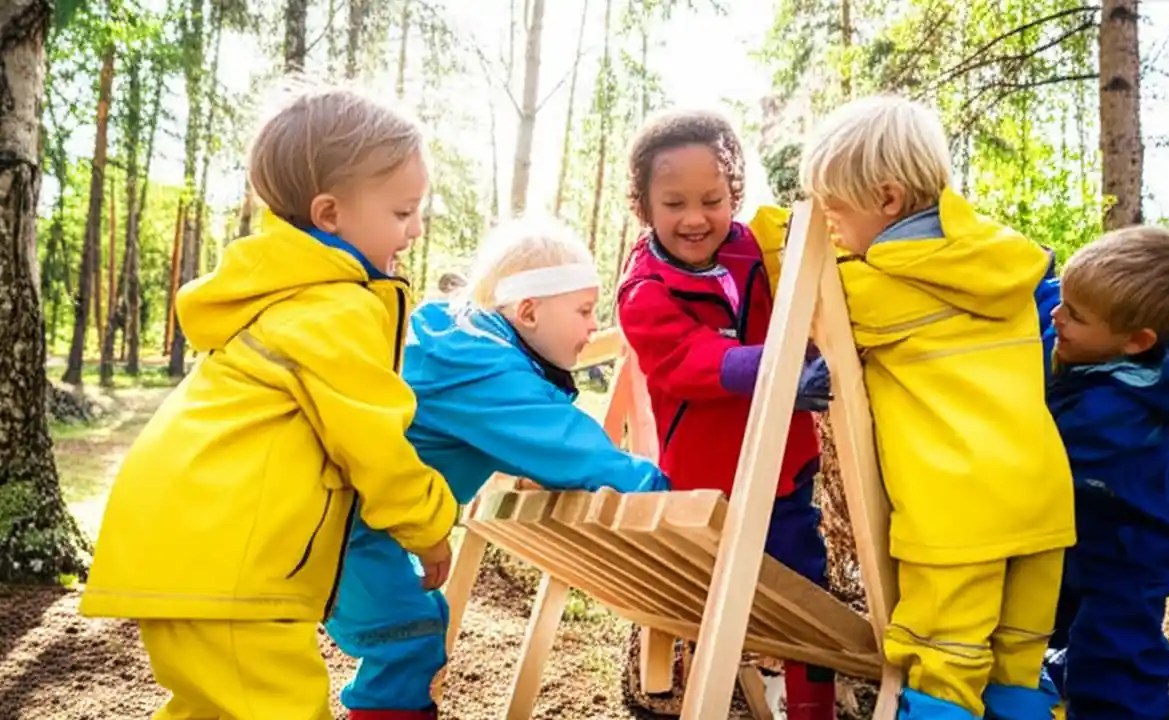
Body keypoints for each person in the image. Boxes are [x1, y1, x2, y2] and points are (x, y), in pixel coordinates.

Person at [80, 85, 458, 720]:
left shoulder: (288, 299)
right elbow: (371, 440)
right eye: (401, 213)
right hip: (230, 561)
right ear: (330, 213)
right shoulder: (331, 309)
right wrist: (429, 524)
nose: (416, 229)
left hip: (193, 546)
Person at [325, 216, 669, 720]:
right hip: (339, 528)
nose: (594, 326)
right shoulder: (483, 365)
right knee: (407, 638)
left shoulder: (463, 344)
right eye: (583, 310)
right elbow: (566, 444)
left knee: (417, 627)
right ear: (528, 310)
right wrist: (657, 486)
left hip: (358, 522)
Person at [799, 94, 1074, 720]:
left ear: (888, 201)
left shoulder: (874, 285)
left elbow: (793, 275)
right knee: (1018, 666)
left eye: (834, 210)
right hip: (1040, 499)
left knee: (943, 662)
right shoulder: (1000, 261)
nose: (830, 226)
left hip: (957, 515)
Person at [615, 108, 835, 720]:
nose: (694, 219)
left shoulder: (754, 249)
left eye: (712, 199)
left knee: (803, 588)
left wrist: (813, 356)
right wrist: (773, 366)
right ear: (645, 207)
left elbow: (819, 284)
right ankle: (701, 693)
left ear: (734, 194)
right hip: (710, 476)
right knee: (711, 595)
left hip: (785, 465)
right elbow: (682, 356)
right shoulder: (645, 288)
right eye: (674, 203)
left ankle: (812, 704)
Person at [1039, 227, 1169, 720]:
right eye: (1063, 298)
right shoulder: (1102, 328)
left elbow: (1038, 443)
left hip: (1138, 542)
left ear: (1136, 342)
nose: (1058, 316)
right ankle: (1054, 680)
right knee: (1051, 625)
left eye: (1074, 314)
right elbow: (1045, 301)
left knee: (1114, 650)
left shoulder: (1113, 414)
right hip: (1090, 523)